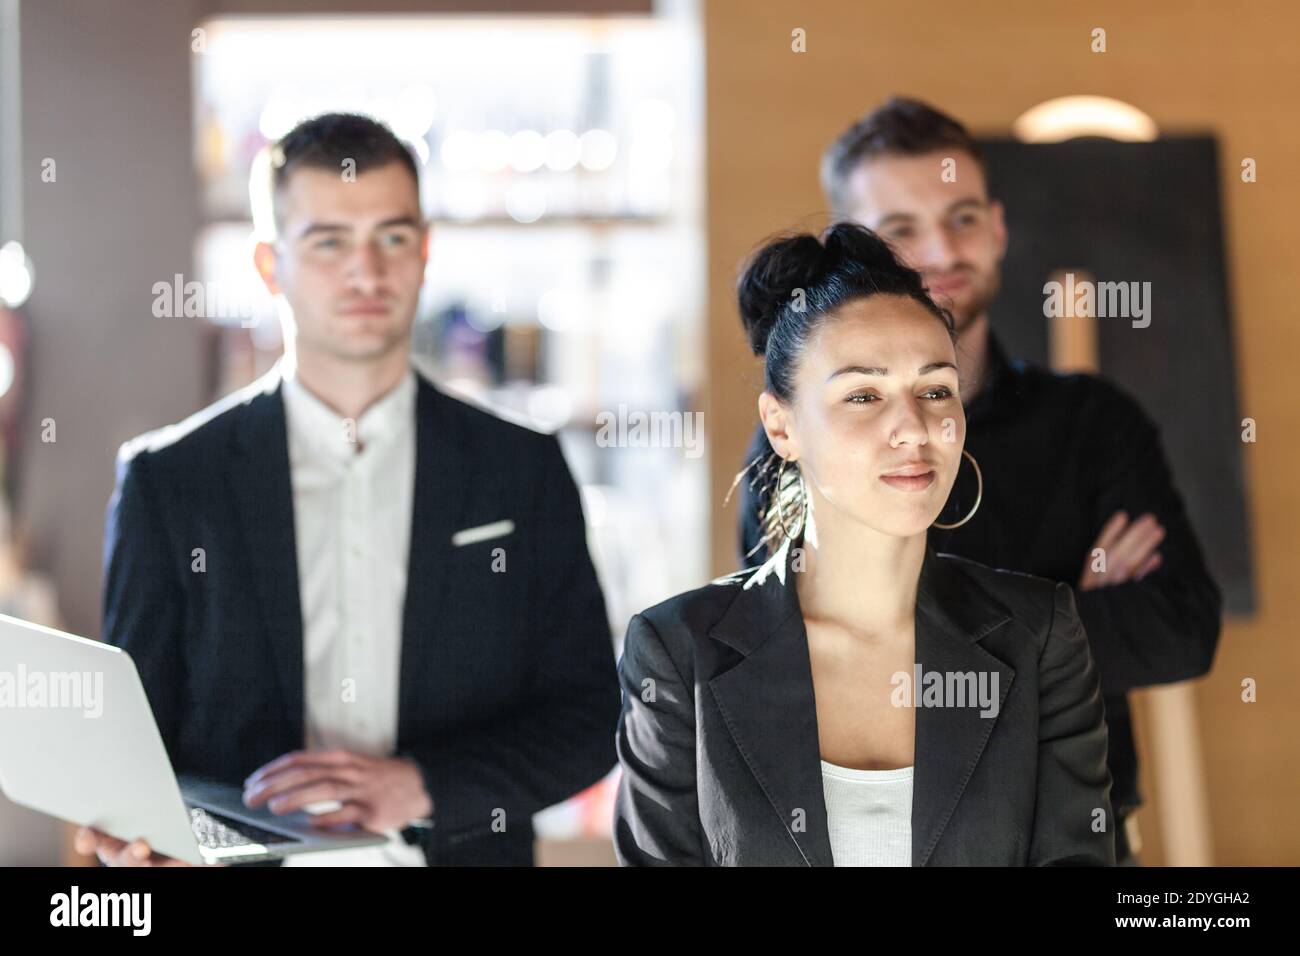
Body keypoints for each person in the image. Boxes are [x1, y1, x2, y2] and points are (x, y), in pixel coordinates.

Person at [76, 112, 620, 867]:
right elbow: (136, 739)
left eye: (392, 238)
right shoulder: (169, 482)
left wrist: (424, 785)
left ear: (425, 251)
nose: (367, 273)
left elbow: (592, 717)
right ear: (270, 265)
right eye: (329, 242)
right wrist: (144, 834)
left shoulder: (520, 470)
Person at [737, 98, 1222, 864]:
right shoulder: (797, 448)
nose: (941, 248)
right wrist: (1058, 611)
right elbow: (785, 657)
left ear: (997, 228)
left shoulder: (1093, 421)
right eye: (901, 230)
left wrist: (920, 642)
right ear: (856, 252)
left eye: (962, 218)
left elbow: (1181, 628)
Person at [614, 221, 1115, 866]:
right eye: (863, 394)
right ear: (782, 426)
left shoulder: (1039, 635)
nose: (913, 428)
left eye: (935, 389)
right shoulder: (679, 652)